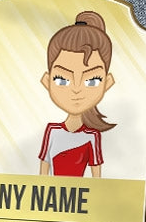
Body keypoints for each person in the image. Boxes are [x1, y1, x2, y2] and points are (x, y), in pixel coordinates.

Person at [39, 10, 115, 177]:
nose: (76, 89)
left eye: (92, 81)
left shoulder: (92, 136)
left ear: (107, 83)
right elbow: (43, 169)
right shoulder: (52, 131)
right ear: (47, 81)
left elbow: (97, 179)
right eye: (62, 80)